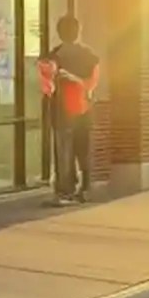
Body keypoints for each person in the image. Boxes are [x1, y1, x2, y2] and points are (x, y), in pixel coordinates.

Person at [40, 15, 100, 205]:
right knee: (84, 151)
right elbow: (93, 83)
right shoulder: (91, 56)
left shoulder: (52, 56)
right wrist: (79, 82)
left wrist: (61, 78)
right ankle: (87, 188)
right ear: (78, 31)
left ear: (59, 33)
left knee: (63, 152)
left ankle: (65, 191)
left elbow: (48, 87)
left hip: (62, 109)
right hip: (84, 109)